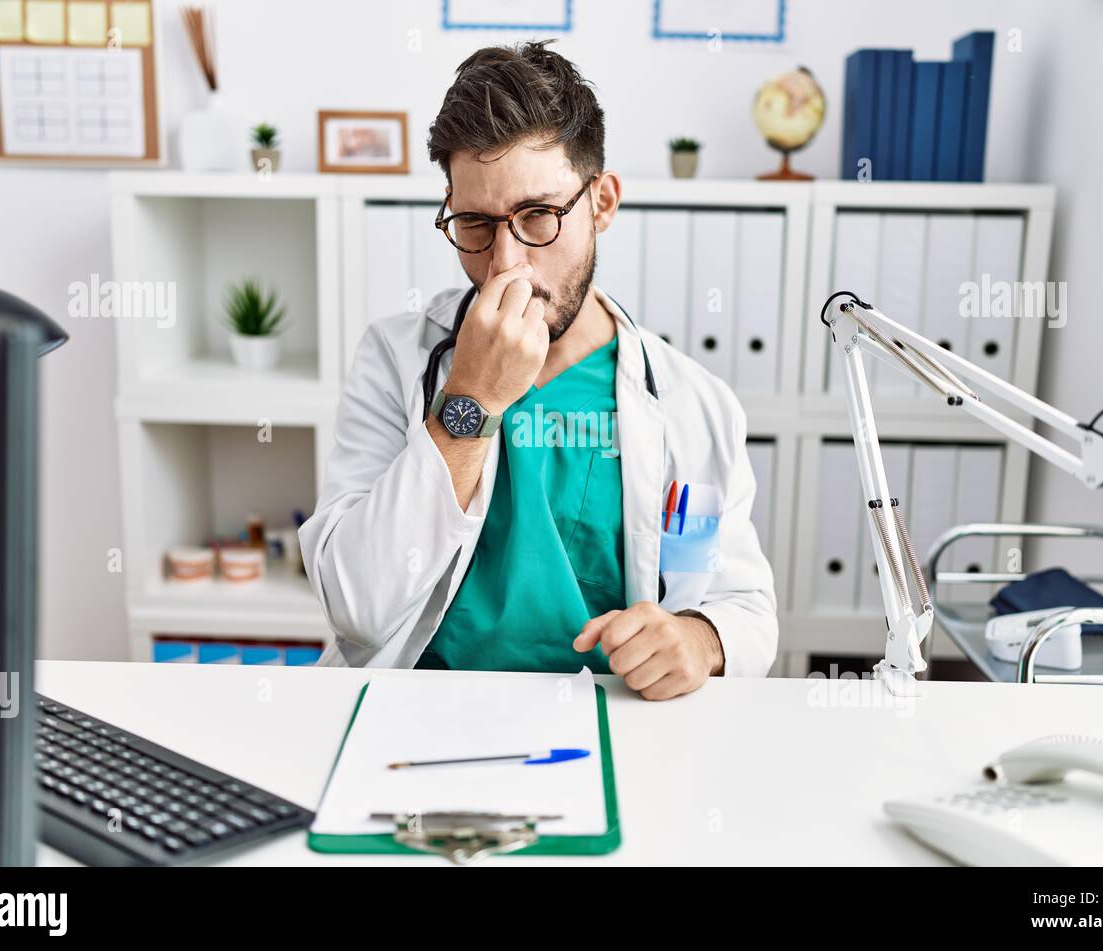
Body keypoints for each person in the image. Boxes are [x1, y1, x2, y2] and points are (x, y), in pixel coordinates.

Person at [299, 40, 777, 699]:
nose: (507, 263)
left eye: (538, 216)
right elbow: (357, 605)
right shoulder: (393, 360)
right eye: (475, 223)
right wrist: (469, 399)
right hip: (420, 713)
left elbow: (747, 608)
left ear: (602, 202)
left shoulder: (696, 403)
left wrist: (700, 637)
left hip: (611, 719)